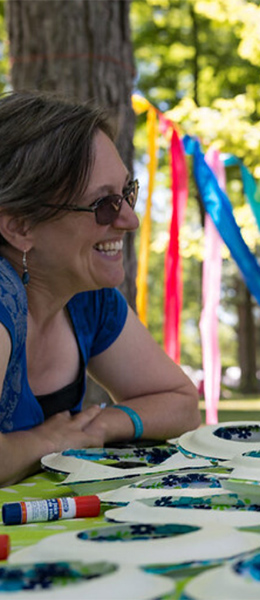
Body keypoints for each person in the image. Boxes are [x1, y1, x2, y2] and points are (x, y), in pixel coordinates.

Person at [0, 91, 201, 486]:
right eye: (103, 204)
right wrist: (50, 439)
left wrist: (103, 424)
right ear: (20, 226)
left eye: (128, 192)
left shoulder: (87, 298)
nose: (129, 219)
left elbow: (181, 403)